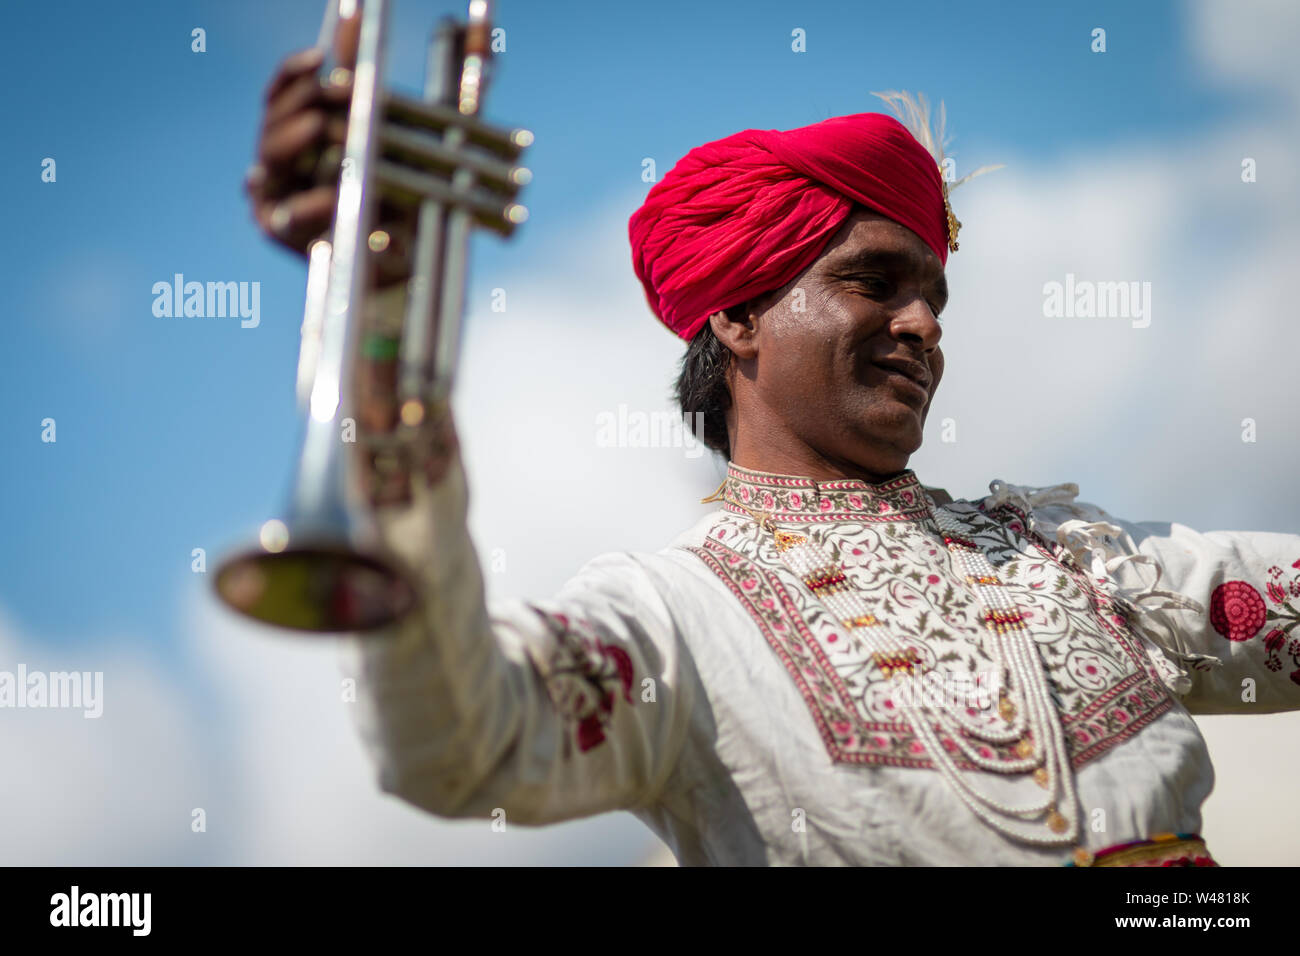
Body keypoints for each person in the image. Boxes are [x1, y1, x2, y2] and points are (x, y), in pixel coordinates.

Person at [245, 23, 1300, 866]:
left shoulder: (1076, 559)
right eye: (873, 282)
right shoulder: (676, 621)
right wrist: (382, 319)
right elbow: (457, 745)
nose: (924, 325)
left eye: (933, 296)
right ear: (738, 315)